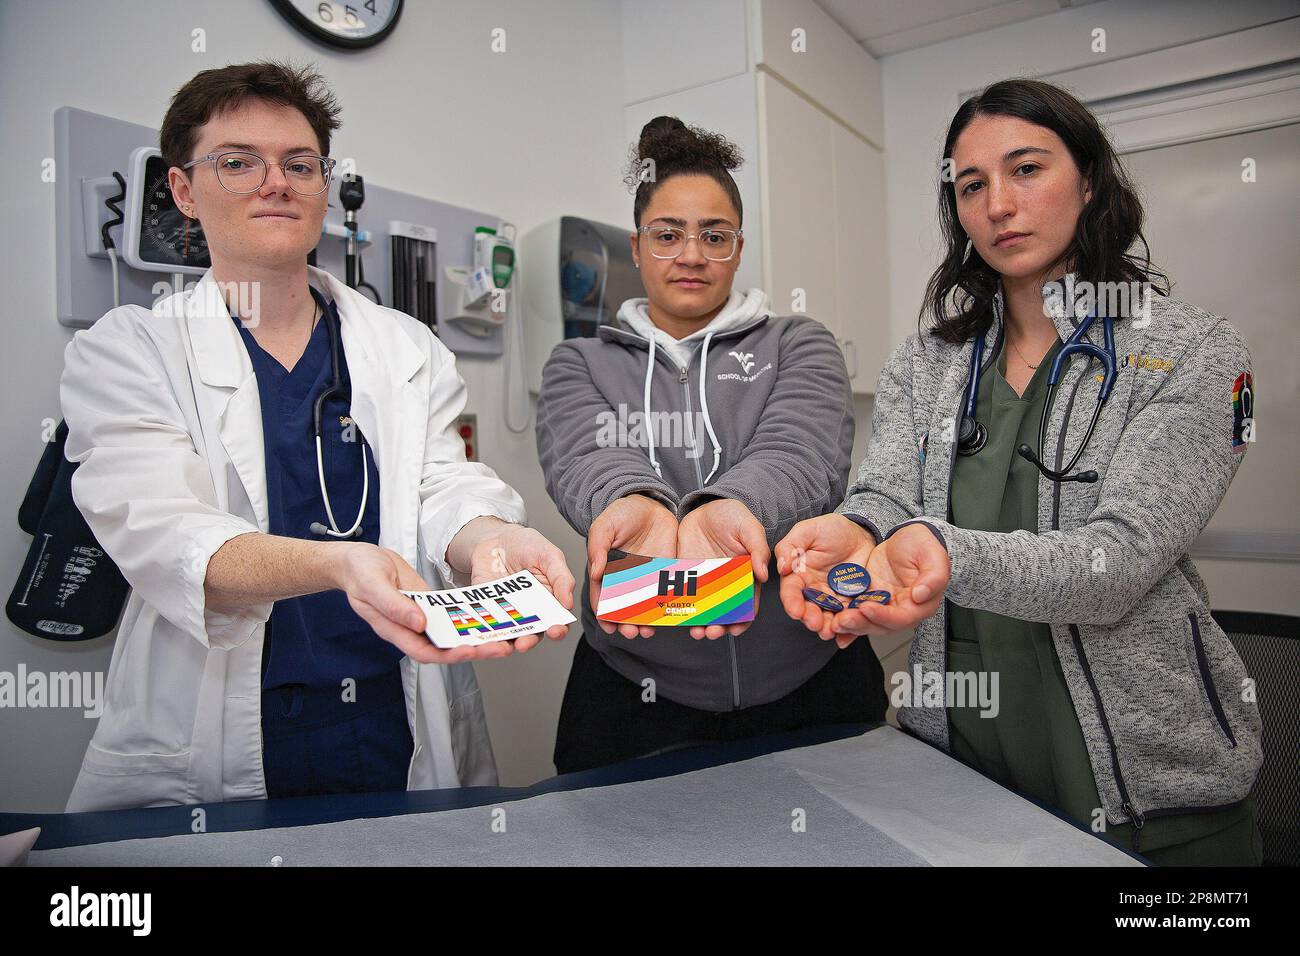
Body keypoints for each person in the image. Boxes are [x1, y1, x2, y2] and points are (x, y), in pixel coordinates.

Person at [59, 61, 574, 812]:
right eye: (238, 163)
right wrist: (339, 566)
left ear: (324, 186)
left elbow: (442, 483)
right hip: (222, 724)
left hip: (391, 716)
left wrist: (492, 539)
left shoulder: (405, 347)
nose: (277, 182)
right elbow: (165, 531)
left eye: (300, 164)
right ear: (182, 191)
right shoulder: (130, 348)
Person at [776, 79, 1263, 865]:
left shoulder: (1190, 353)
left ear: (1091, 181)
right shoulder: (927, 362)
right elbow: (885, 495)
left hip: (1152, 799)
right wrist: (850, 530)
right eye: (972, 185)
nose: (998, 203)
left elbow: (1119, 562)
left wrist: (939, 553)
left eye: (1027, 169)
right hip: (958, 776)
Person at [536, 116, 886, 775]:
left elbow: (801, 453)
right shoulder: (578, 360)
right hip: (635, 684)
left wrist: (727, 507)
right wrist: (637, 499)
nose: (691, 255)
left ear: (737, 246)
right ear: (637, 248)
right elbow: (586, 454)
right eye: (667, 235)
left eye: (713, 236)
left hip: (809, 673)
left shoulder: (797, 343)